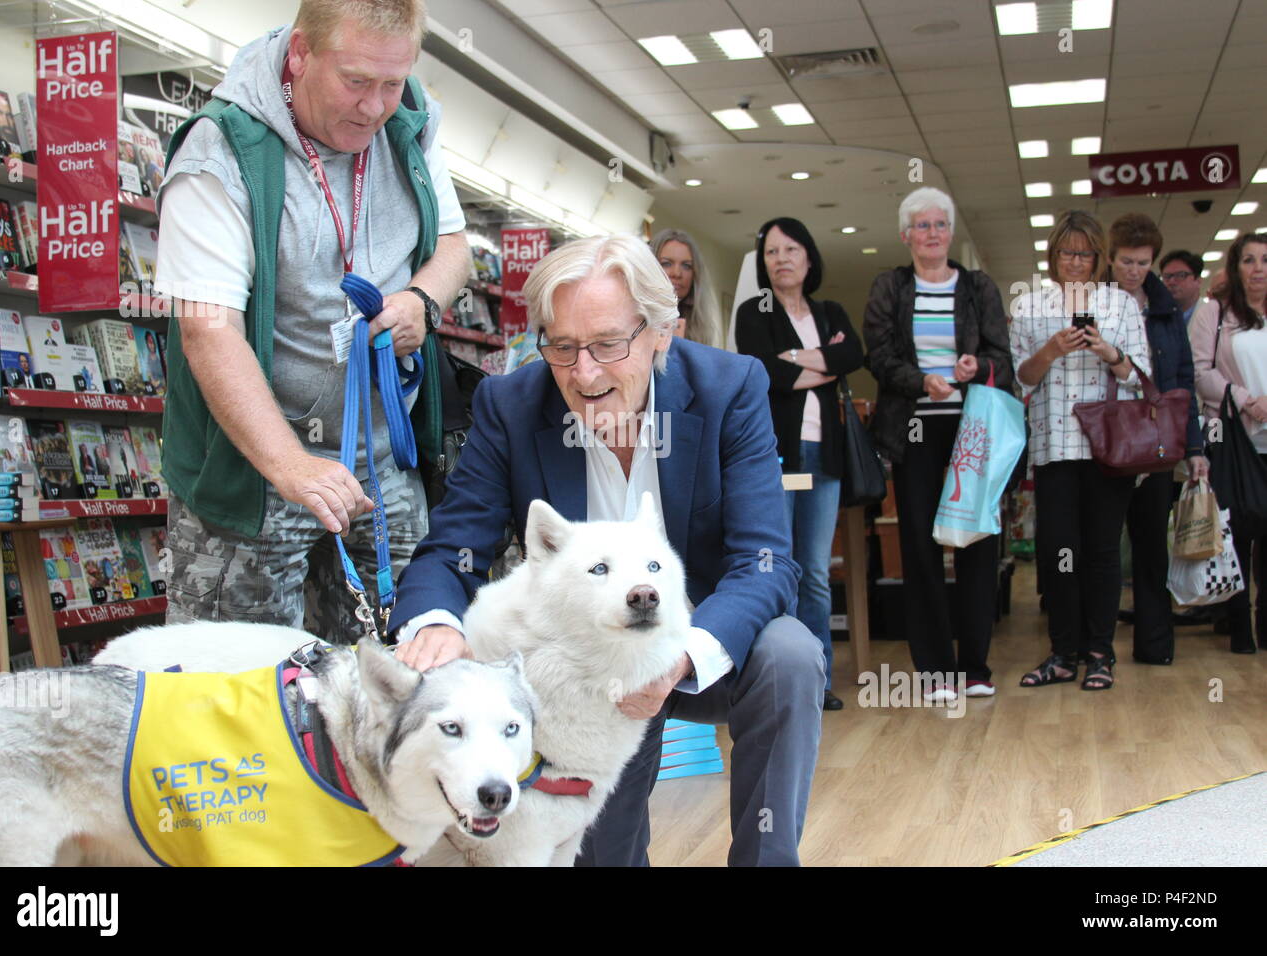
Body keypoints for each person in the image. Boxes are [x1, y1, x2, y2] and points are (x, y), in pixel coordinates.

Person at [390, 235, 823, 866]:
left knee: (791, 654)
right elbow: (452, 547)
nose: (584, 373)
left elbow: (766, 562)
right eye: (561, 346)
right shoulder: (510, 405)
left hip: (699, 646)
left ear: (661, 334)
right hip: (583, 674)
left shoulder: (730, 389)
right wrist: (434, 626)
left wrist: (676, 659)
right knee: (604, 856)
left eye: (608, 345)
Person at [152, 0, 471, 632]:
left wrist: (422, 300)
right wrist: (291, 466)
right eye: (355, 81)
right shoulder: (219, 153)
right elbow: (208, 331)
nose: (374, 106)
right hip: (254, 474)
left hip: (383, 465)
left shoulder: (411, 120)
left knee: (407, 674)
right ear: (300, 53)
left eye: (391, 82)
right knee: (232, 685)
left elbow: (453, 246)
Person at [863, 187, 1013, 700]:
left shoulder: (977, 287)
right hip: (915, 429)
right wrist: (920, 380)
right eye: (922, 226)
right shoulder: (890, 286)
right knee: (921, 550)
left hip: (971, 428)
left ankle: (975, 667)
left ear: (951, 232)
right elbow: (878, 357)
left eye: (940, 225)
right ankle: (935, 672)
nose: (932, 234)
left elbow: (1002, 358)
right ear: (906, 235)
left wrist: (978, 367)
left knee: (976, 543)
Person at [1011, 210, 1151, 690]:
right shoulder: (1031, 306)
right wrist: (1050, 350)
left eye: (1085, 253)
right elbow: (1019, 382)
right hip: (1053, 447)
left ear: (1099, 257)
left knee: (1102, 551)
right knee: (1057, 552)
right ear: (1054, 255)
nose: (1076, 261)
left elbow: (1141, 378)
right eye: (1068, 252)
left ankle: (1100, 652)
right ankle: (1062, 653)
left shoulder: (1121, 304)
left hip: (1108, 447)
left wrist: (1108, 352)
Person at [734, 217, 863, 712]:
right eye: (771, 252)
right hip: (776, 454)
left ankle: (818, 678)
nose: (781, 259)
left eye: (791, 250)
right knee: (777, 566)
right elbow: (764, 372)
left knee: (813, 568)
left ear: (809, 257)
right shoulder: (754, 310)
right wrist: (821, 365)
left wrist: (797, 359)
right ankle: (779, 678)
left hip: (823, 453)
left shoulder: (830, 311)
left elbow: (853, 354)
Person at [1108, 215, 1207, 664]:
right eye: (1126, 261)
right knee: (1104, 548)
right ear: (1110, 259)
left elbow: (1183, 379)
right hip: (1108, 437)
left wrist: (1197, 447)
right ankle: (1096, 647)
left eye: (1143, 262)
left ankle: (1154, 643)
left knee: (1151, 545)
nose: (1133, 270)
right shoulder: (1096, 303)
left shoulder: (1164, 309)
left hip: (1158, 439)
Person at [1189, 231, 1267, 654]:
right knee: (1238, 532)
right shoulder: (1215, 312)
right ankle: (1239, 628)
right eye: (1249, 260)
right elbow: (1200, 373)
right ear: (1235, 267)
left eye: (1266, 260)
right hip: (1233, 435)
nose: (1258, 269)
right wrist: (1247, 402)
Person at [650, 228, 723, 348]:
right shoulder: (631, 320)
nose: (677, 273)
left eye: (686, 266)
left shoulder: (699, 328)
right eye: (666, 264)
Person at [1159, 250, 1204, 326]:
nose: (1171, 282)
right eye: (1167, 276)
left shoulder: (1214, 315)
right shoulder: (1155, 318)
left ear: (1198, 281)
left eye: (1181, 275)